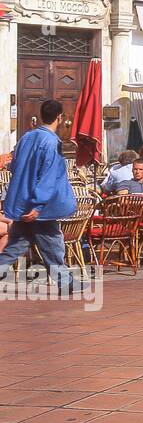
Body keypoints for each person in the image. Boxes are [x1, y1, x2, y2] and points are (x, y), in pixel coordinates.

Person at [0, 101, 80, 292]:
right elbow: (49, 176)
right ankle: (66, 282)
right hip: (41, 207)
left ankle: (66, 282)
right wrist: (38, 205)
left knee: (17, 244)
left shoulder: (26, 138)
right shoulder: (53, 143)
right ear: (59, 118)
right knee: (52, 242)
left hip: (23, 200)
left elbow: (15, 164)